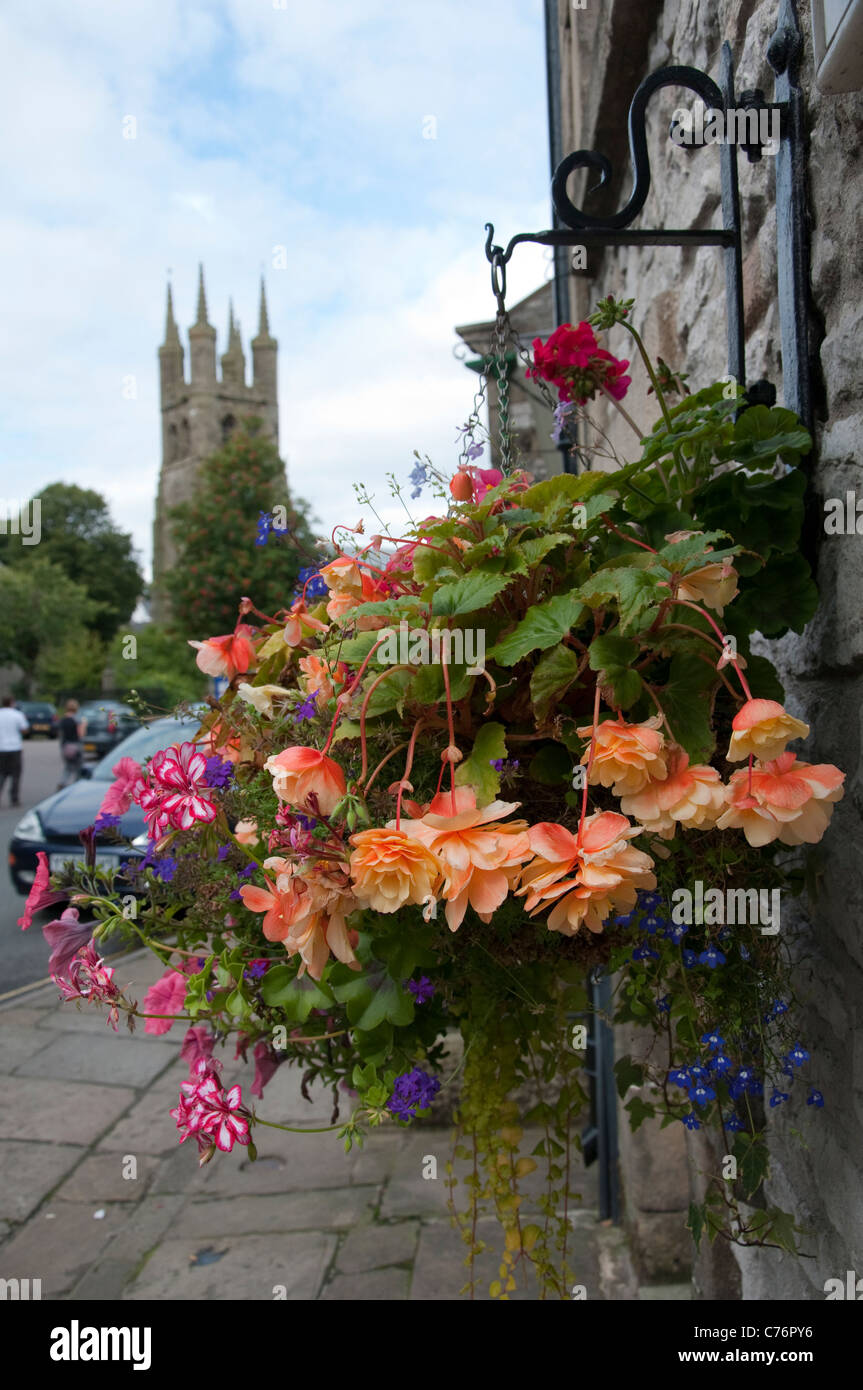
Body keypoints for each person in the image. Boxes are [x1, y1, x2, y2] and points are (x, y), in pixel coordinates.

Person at [0, 695, 29, 806]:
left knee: (1, 773)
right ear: (12, 702)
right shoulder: (17, 715)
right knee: (15, 774)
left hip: (1, 748)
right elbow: (24, 729)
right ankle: (14, 798)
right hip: (14, 747)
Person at [57, 699, 86, 789]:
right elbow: (81, 734)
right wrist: (84, 725)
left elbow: (61, 734)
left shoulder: (63, 720)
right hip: (76, 746)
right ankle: (77, 786)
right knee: (78, 768)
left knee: (68, 767)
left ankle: (62, 782)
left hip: (65, 746)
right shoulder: (77, 720)